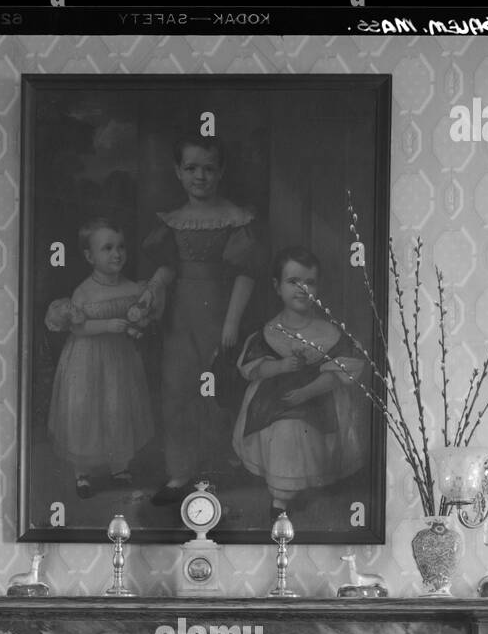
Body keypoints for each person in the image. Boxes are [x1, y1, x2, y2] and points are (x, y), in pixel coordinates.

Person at [141, 134, 263, 505]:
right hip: (180, 315)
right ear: (178, 172)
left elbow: (246, 272)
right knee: (178, 387)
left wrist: (230, 323)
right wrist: (153, 290)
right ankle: (180, 472)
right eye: (191, 168)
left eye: (209, 169)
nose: (200, 176)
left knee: (216, 390)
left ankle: (214, 469)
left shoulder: (235, 218)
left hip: (221, 312)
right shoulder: (174, 221)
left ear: (221, 172)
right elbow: (166, 267)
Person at [232, 246, 365, 523]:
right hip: (272, 404)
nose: (302, 289)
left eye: (310, 282)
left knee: (301, 429)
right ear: (277, 287)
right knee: (284, 430)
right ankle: (280, 498)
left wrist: (307, 391)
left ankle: (308, 489)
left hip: (318, 399)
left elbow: (342, 370)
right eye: (293, 281)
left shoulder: (329, 332)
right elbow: (252, 367)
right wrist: (279, 367)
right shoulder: (268, 332)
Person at [45, 218, 160, 497]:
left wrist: (138, 325)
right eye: (107, 248)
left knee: (117, 408)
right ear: (89, 256)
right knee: (86, 411)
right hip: (86, 360)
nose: (116, 254)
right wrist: (108, 326)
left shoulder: (133, 288)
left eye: (120, 247)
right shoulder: (84, 291)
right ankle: (82, 472)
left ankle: (119, 466)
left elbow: (142, 318)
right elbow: (77, 326)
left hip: (120, 360)